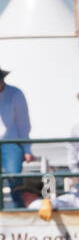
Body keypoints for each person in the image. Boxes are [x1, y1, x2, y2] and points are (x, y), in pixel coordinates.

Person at [0, 64, 35, 208]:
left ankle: (18, 211)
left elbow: (23, 123)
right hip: (11, 142)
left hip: (12, 143)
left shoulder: (15, 94)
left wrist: (27, 149)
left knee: (14, 177)